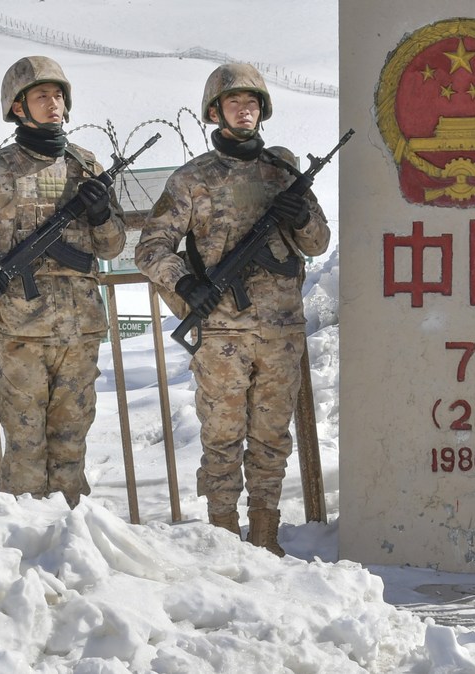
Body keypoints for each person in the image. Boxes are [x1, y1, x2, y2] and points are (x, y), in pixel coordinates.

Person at [134, 63, 330, 556]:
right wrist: (185, 284)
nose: (245, 110)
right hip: (221, 330)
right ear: (214, 111)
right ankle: (222, 540)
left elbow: (319, 241)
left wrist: (301, 213)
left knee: (270, 438)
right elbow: (151, 247)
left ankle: (265, 539)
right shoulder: (194, 179)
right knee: (221, 437)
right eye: (234, 103)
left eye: (252, 102)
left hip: (280, 327)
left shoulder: (283, 171)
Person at [0, 55, 126, 508]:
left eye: (59, 94)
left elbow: (114, 246)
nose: (54, 102)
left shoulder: (87, 166)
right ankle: (24, 547)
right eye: (42, 95)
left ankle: (72, 542)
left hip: (80, 330)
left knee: (71, 443)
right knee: (25, 446)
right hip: (20, 330)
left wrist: (101, 213)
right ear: (18, 107)